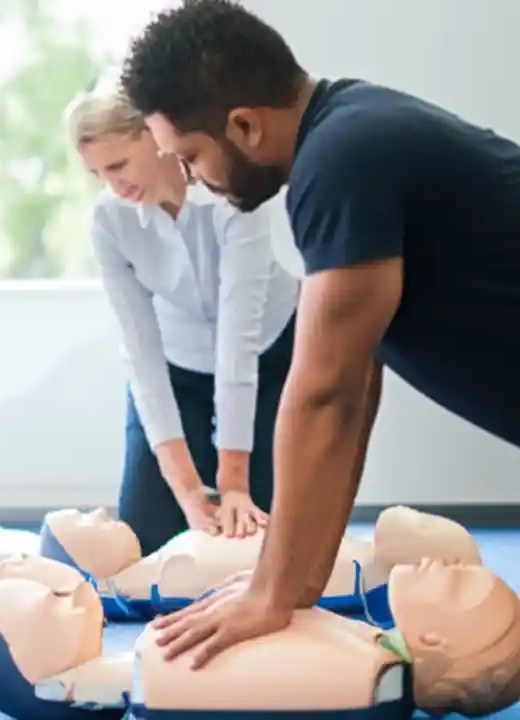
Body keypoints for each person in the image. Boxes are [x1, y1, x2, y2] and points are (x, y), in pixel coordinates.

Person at [117, 0, 520, 668]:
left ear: (242, 125)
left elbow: (326, 393)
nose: (193, 181)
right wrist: (296, 579)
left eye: (188, 157)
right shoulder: (352, 133)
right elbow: (355, 385)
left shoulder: (342, 160)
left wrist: (273, 589)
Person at [64, 90, 299, 555]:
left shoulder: (232, 194)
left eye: (118, 166)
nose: (112, 185)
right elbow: (141, 355)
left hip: (271, 352)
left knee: (268, 537)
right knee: (147, 539)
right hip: (178, 364)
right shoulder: (109, 222)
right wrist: (191, 492)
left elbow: (239, 340)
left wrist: (232, 484)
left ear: (154, 136)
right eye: (97, 174)